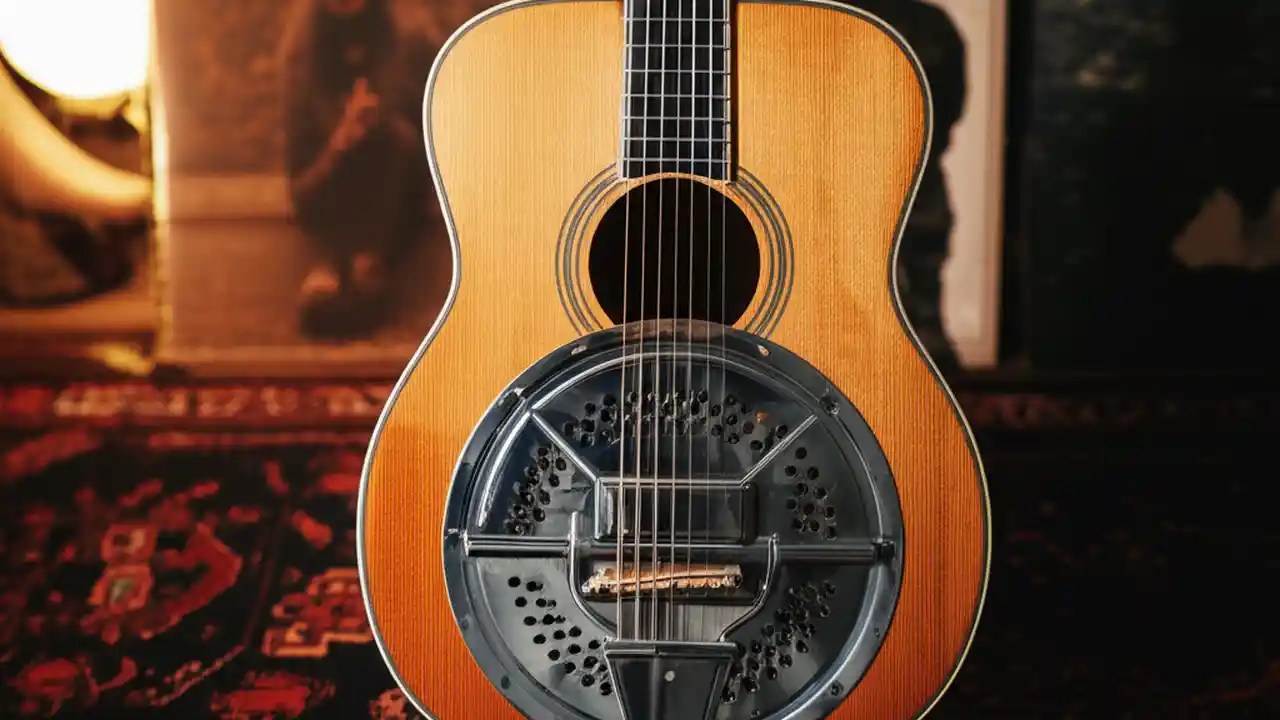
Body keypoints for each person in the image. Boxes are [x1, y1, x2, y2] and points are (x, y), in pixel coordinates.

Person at [280, 0, 432, 338]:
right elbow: (302, 183)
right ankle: (345, 263)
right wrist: (340, 140)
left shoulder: (405, 37)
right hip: (330, 184)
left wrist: (368, 123)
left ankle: (363, 260)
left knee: (392, 141)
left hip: (391, 182)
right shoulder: (303, 52)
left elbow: (416, 128)